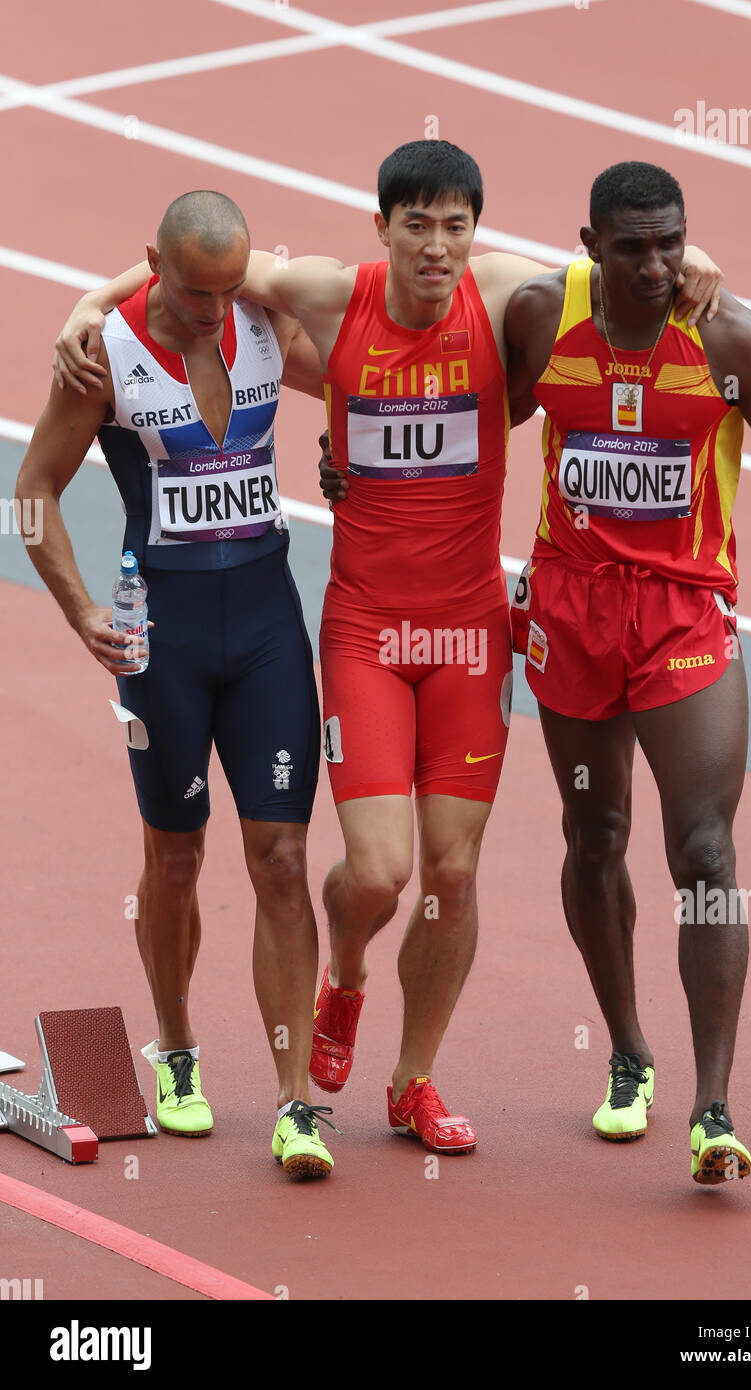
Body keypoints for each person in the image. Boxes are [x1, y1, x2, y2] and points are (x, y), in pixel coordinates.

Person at [53, 142, 722, 1157]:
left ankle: (412, 1080)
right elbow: (200, 264)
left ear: (474, 235)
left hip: (467, 633)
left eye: (456, 226)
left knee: (453, 873)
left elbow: (639, 264)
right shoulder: (327, 293)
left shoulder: (502, 293)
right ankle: (345, 976)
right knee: (375, 872)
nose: (437, 247)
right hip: (364, 629)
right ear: (382, 228)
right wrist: (88, 302)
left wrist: (700, 260)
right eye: (419, 225)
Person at [503, 160, 751, 1183]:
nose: (654, 266)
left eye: (669, 242)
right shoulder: (537, 316)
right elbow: (456, 389)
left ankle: (711, 1104)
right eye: (631, 247)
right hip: (568, 605)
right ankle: (624, 1050)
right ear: (588, 245)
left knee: (703, 849)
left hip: (683, 615)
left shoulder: (727, 337)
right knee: (593, 831)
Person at [17, 190, 341, 1180]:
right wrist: (81, 616)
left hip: (268, 628)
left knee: (282, 859)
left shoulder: (262, 316)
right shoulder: (102, 354)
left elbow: (376, 386)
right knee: (176, 858)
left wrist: (342, 455)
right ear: (152, 262)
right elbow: (31, 493)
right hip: (162, 639)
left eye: (226, 289)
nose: (212, 312)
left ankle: (295, 1102)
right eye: (194, 292)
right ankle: (177, 1046)